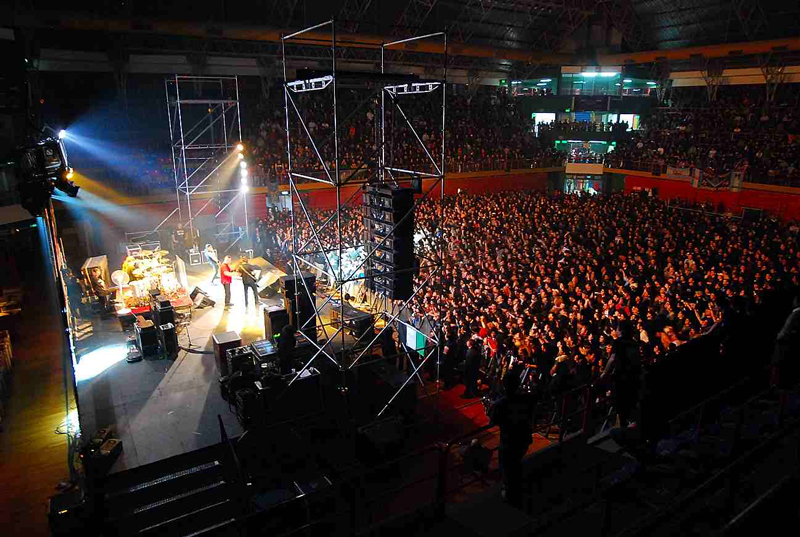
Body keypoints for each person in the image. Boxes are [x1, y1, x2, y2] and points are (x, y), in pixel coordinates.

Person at [488, 371, 537, 506]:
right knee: (516, 462)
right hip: (524, 438)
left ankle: (510, 495)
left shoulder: (501, 404)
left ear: (504, 385)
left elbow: (492, 422)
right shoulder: (527, 399)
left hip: (508, 440)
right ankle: (516, 488)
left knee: (507, 466)